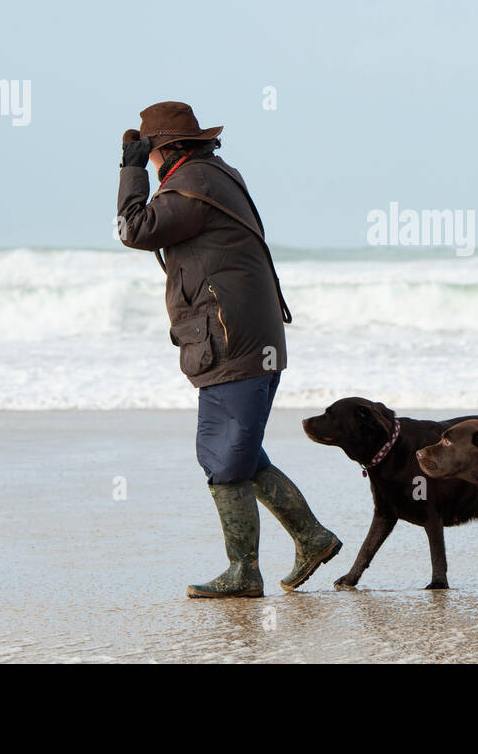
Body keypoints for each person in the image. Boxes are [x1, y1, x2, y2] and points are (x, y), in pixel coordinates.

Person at [116, 101, 340, 597]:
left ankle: (245, 573)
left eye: (149, 153)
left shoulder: (190, 187)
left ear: (165, 149)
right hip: (249, 339)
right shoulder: (214, 174)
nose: (148, 161)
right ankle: (312, 536)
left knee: (221, 455)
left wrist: (128, 172)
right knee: (237, 452)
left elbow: (133, 228)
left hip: (232, 342)